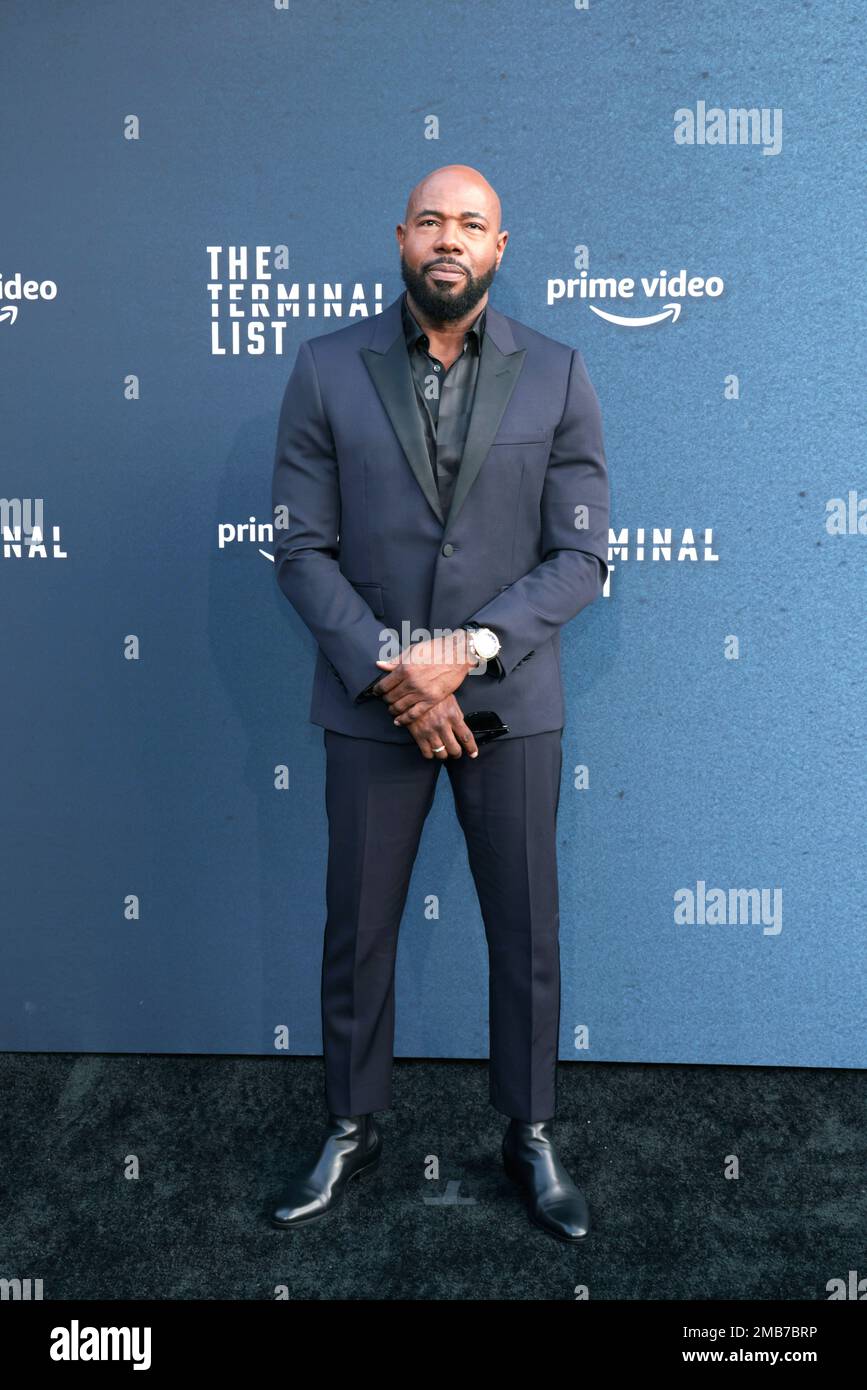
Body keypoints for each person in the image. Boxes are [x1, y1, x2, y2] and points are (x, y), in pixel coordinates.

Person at [269, 164, 610, 1242]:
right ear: (402, 239)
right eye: (431, 221)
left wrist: (457, 654)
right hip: (373, 705)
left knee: (526, 930)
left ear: (500, 248)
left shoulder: (558, 373)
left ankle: (531, 1131)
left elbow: (583, 555)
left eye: (471, 223)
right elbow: (302, 548)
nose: (448, 238)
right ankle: (353, 1124)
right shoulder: (325, 370)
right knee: (357, 929)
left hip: (510, 701)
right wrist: (396, 671)